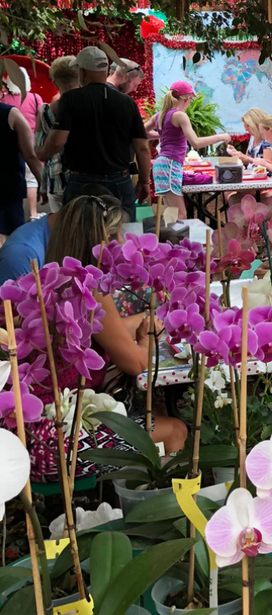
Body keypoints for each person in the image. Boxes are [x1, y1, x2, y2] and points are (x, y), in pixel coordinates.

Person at [25, 194, 188, 481]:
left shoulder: (53, 281)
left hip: (27, 432)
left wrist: (147, 319)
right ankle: (164, 502)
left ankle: (130, 494)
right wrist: (147, 337)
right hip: (54, 440)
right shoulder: (90, 291)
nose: (124, 243)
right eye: (116, 236)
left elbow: (103, 331)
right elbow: (138, 364)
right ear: (100, 243)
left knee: (157, 410)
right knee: (175, 430)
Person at [37, 46, 151, 221]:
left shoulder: (71, 99)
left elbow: (58, 141)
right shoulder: (127, 102)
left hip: (82, 182)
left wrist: (43, 153)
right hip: (119, 180)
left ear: (82, 71)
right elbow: (142, 148)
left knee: (81, 233)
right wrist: (144, 181)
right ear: (105, 70)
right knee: (120, 231)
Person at [147, 81, 231, 219]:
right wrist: (220, 137)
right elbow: (195, 142)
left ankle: (168, 233)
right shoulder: (180, 115)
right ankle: (177, 235)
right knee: (180, 214)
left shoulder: (159, 115)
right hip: (170, 164)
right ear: (186, 99)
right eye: (191, 100)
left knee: (171, 213)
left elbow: (143, 132)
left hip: (161, 165)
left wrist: (165, 134)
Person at [35, 55, 79, 213]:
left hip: (56, 181)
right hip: (85, 180)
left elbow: (39, 152)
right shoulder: (89, 105)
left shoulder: (45, 111)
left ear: (54, 82)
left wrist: (43, 184)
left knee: (61, 226)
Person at [2, 69, 42, 221]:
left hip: (11, 152)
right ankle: (33, 212)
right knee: (31, 180)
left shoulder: (5, 100)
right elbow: (40, 119)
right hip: (30, 143)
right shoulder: (34, 98)